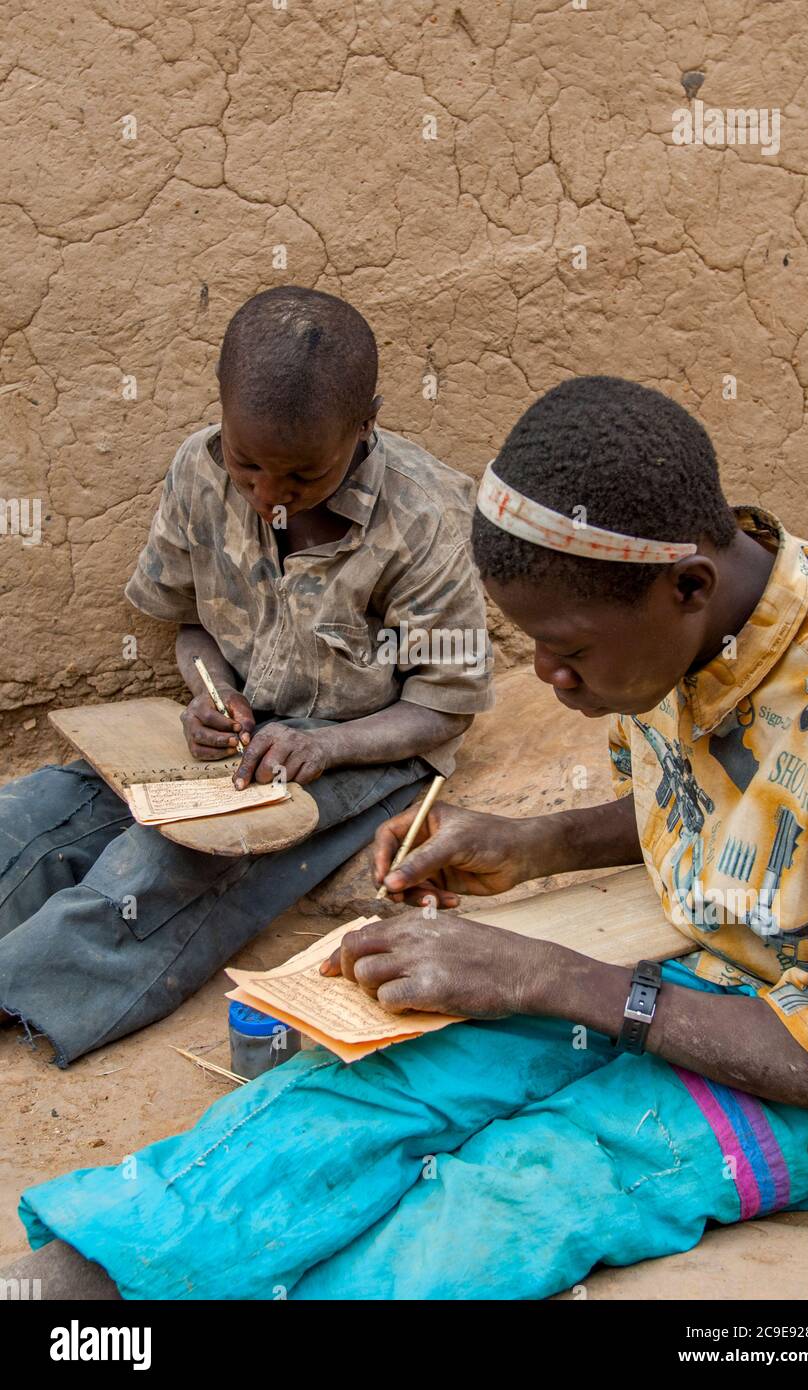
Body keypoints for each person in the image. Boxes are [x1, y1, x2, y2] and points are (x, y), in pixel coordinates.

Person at [9, 376, 808, 1300]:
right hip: (689, 974)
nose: (548, 679)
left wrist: (551, 978)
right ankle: (89, 1284)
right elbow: (745, 802)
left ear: (686, 587)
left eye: (566, 652)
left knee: (522, 1190)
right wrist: (539, 843)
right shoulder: (694, 620)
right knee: (374, 1090)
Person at [0, 286, 492, 1067]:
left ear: (366, 424)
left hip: (365, 753)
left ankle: (22, 990)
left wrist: (327, 750)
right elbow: (190, 625)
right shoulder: (196, 471)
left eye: (302, 477)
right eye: (247, 464)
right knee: (32, 814)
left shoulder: (425, 518)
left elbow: (442, 709)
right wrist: (209, 691)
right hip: (237, 740)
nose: (267, 495)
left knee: (168, 861)